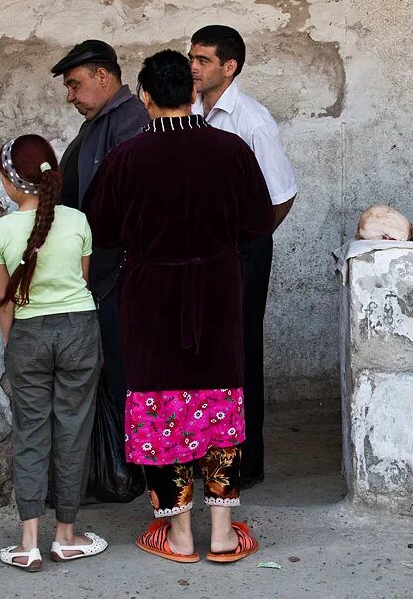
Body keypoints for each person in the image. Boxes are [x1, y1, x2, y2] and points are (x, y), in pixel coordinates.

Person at [84, 50, 273, 563]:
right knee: (219, 401)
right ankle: (224, 534)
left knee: (160, 404)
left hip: (150, 296)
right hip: (218, 291)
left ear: (145, 97)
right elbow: (257, 222)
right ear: (192, 93)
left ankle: (180, 535)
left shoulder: (126, 158)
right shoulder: (231, 150)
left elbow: (100, 229)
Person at [0, 135, 107, 572]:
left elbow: (4, 303)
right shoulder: (77, 221)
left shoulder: (1, 230)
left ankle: (28, 543)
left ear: (11, 181)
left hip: (28, 334)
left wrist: (14, 346)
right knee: (73, 430)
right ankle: (66, 536)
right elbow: (82, 282)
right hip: (79, 331)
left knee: (30, 433)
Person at [188, 25, 297, 488]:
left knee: (241, 350)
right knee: (203, 349)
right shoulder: (190, 110)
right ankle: (205, 452)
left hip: (243, 250)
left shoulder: (252, 119)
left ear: (229, 67)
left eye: (203, 60)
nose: (193, 67)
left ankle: (246, 464)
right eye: (191, 58)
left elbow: (282, 193)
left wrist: (249, 240)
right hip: (202, 253)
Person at [51, 39, 150, 421]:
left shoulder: (130, 122)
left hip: (120, 275)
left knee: (124, 375)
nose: (70, 96)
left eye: (75, 84)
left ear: (103, 76)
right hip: (101, 272)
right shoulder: (98, 122)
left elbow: (130, 205)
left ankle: (130, 451)